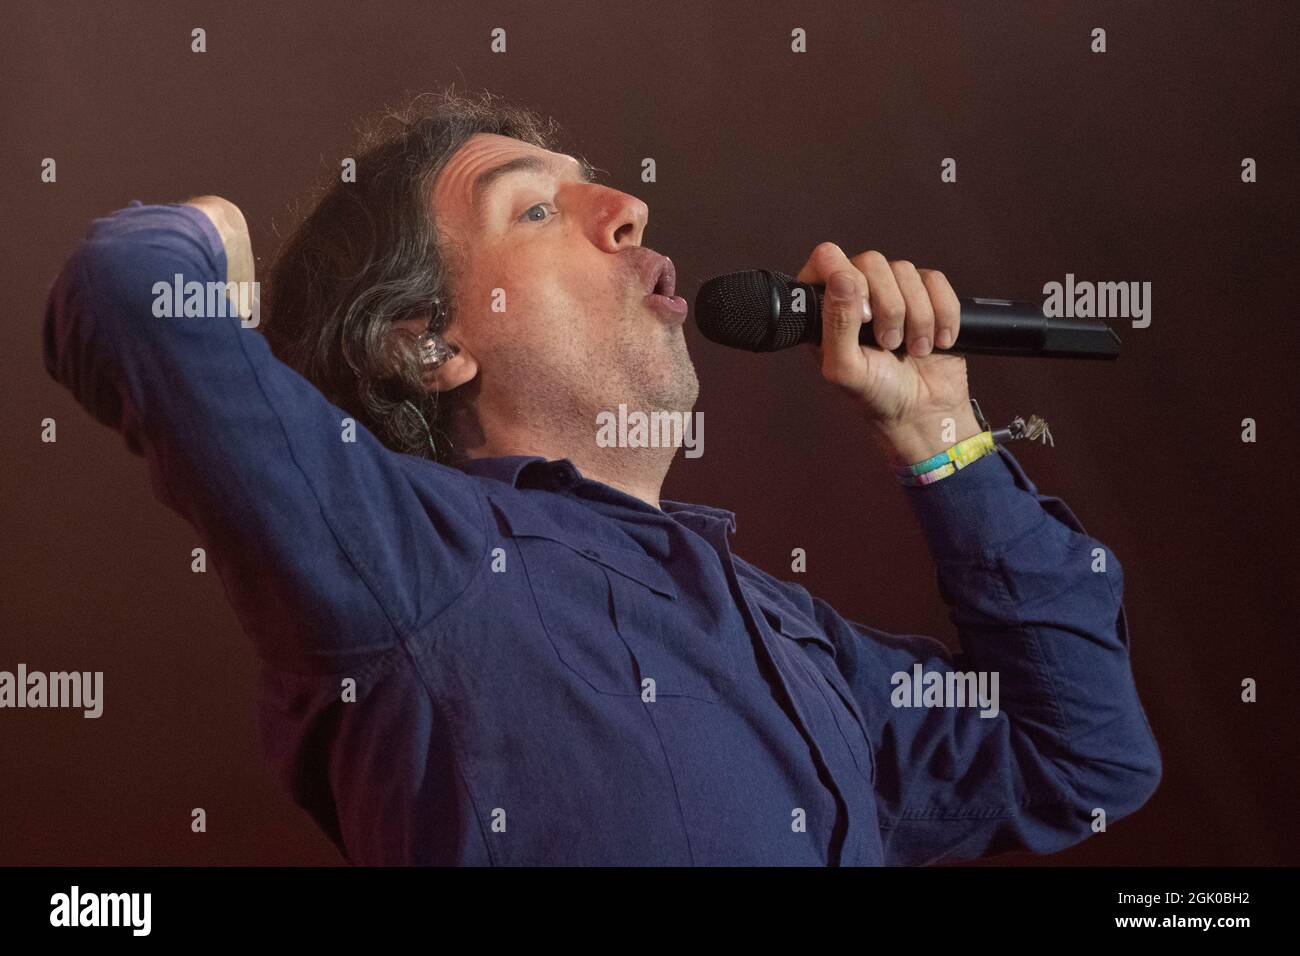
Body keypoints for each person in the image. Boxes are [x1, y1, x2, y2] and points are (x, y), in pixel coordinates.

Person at [42, 89, 1160, 865]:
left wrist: (947, 440)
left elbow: (1083, 758)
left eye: (596, 188)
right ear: (427, 341)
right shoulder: (405, 550)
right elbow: (122, 289)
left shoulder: (794, 636)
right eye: (534, 207)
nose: (625, 206)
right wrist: (212, 226)